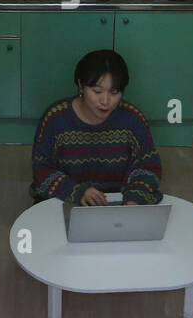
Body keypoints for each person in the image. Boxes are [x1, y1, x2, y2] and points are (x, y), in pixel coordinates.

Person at [29, 49, 163, 206]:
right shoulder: (55, 119)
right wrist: (76, 191)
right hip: (65, 200)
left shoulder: (133, 120)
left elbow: (149, 167)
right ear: (81, 85)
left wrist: (135, 198)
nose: (105, 101)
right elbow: (41, 169)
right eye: (97, 91)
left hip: (116, 203)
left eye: (114, 92)